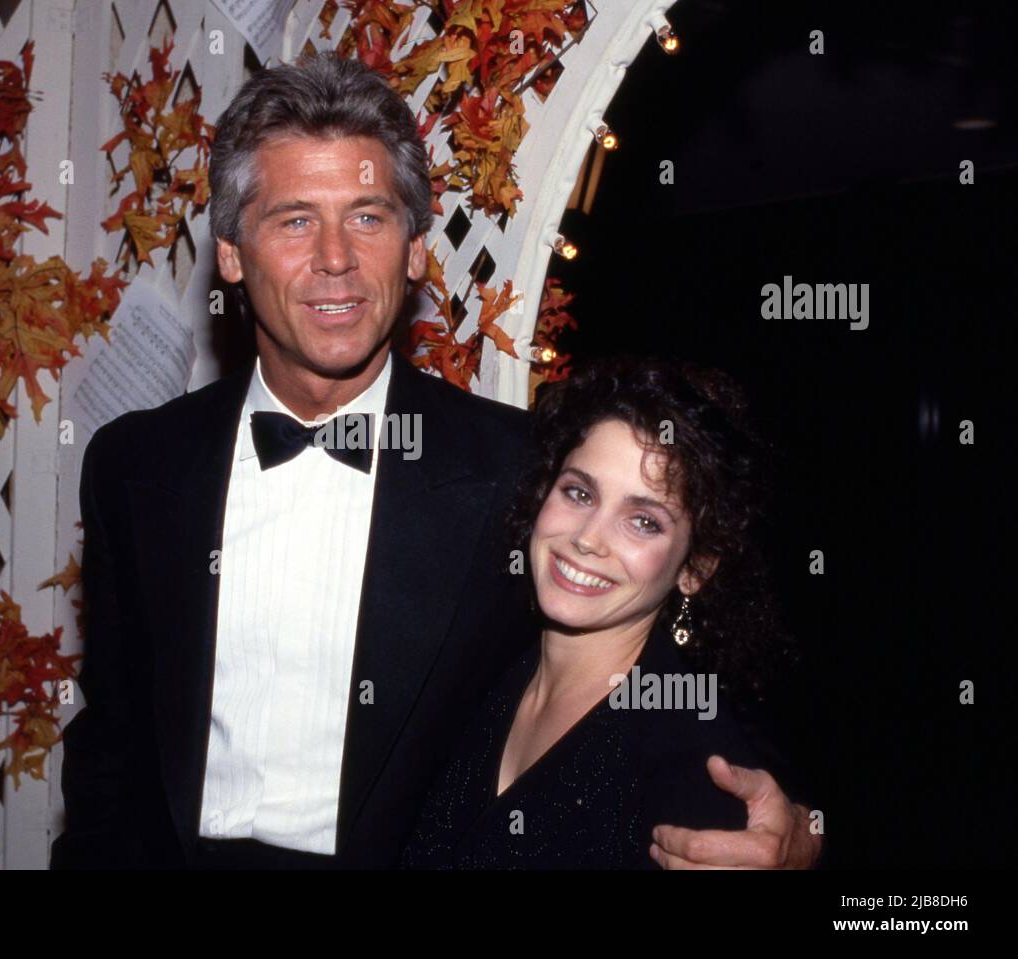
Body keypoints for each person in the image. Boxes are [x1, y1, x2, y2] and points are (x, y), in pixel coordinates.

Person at [50, 51, 820, 869]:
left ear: (416, 249)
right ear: (233, 253)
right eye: (295, 219)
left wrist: (803, 833)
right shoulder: (136, 466)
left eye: (370, 216)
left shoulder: (518, 472)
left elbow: (656, 678)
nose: (337, 258)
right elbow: (112, 743)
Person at [401, 357, 804, 868]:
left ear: (694, 570)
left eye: (642, 521)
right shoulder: (483, 664)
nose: (588, 538)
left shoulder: (698, 765)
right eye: (579, 492)